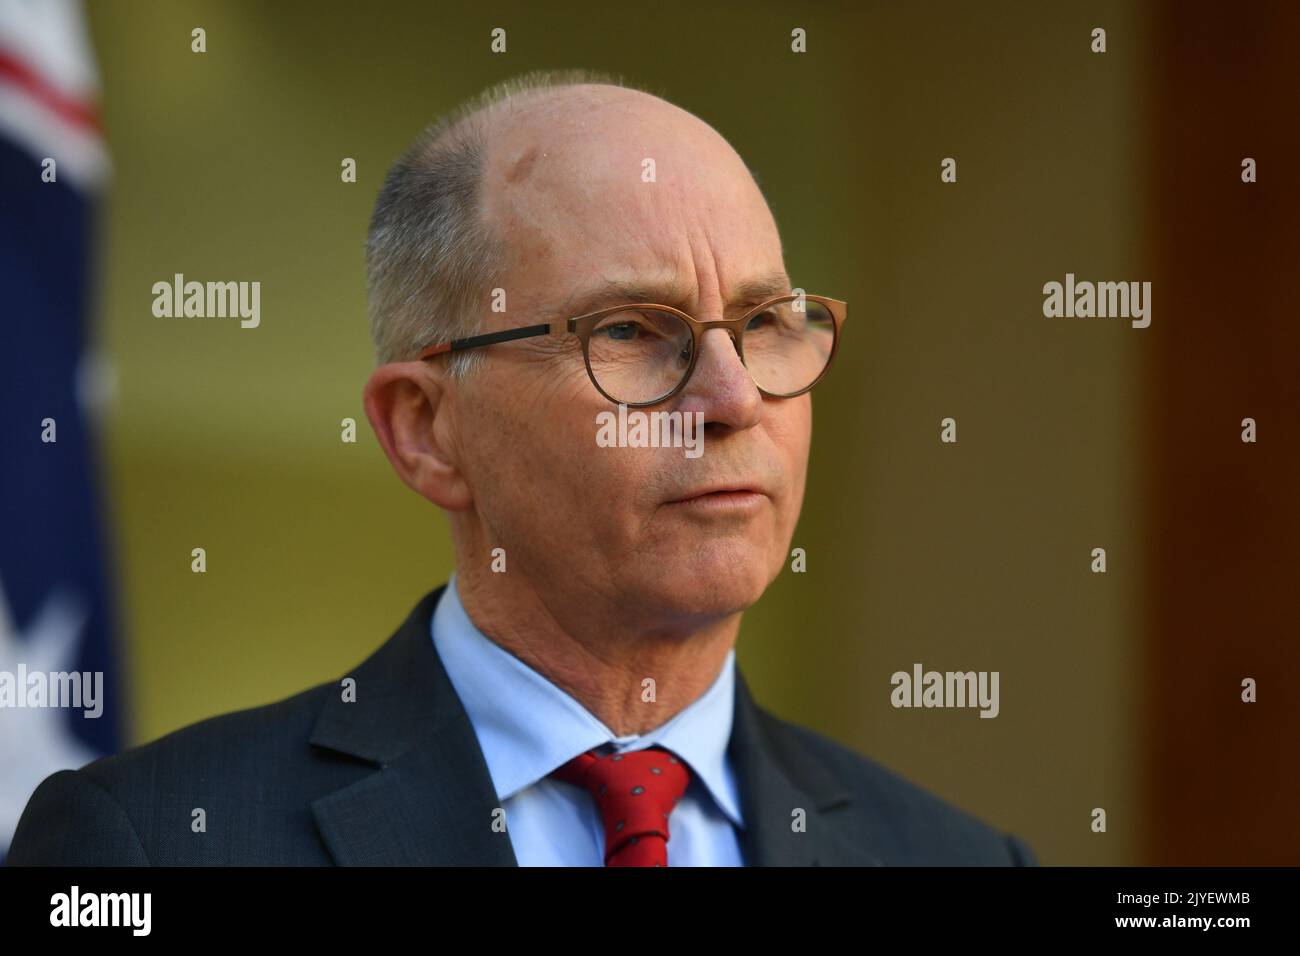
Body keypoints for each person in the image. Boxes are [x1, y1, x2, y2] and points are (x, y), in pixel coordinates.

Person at [8, 69, 1036, 866]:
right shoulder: (154, 843)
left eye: (767, 322)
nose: (732, 400)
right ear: (425, 427)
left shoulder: (958, 857)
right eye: (635, 329)